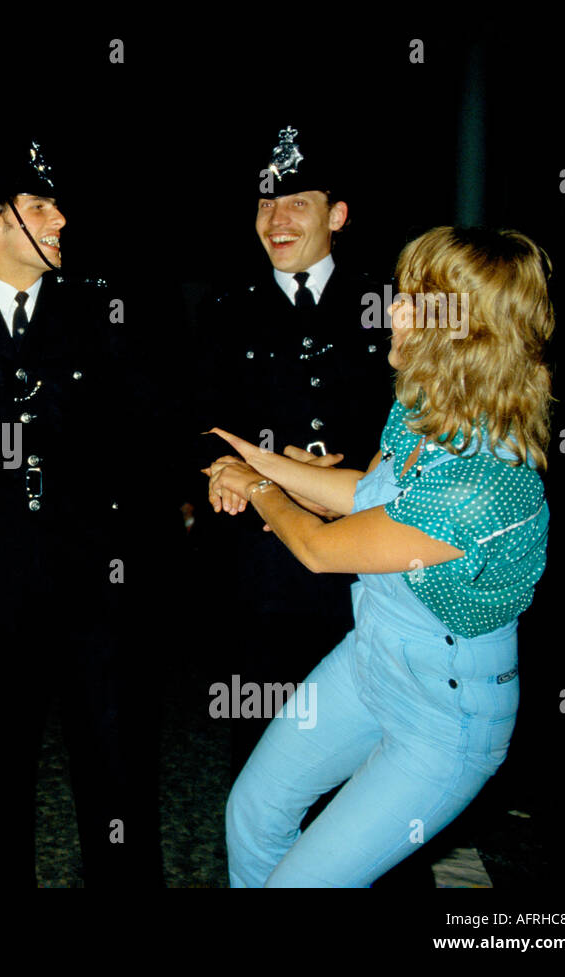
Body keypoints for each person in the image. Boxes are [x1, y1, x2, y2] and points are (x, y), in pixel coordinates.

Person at [205, 226, 553, 887]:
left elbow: (318, 547)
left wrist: (256, 487)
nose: (391, 310)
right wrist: (260, 461)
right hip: (371, 662)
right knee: (252, 813)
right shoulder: (424, 408)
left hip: (445, 718)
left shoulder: (485, 483)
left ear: (468, 330)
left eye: (414, 301)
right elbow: (366, 497)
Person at [0, 140, 159, 886]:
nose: (60, 218)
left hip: (97, 589)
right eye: (40, 206)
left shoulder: (104, 310)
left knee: (117, 780)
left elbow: (137, 431)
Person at [190, 124, 394, 780]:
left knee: (370, 762)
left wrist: (353, 471)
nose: (275, 221)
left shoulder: (387, 305)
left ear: (337, 214)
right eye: (263, 205)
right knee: (264, 756)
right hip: (261, 573)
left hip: (371, 566)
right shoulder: (224, 310)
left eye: (296, 203)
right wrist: (223, 470)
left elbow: (423, 417)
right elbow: (194, 417)